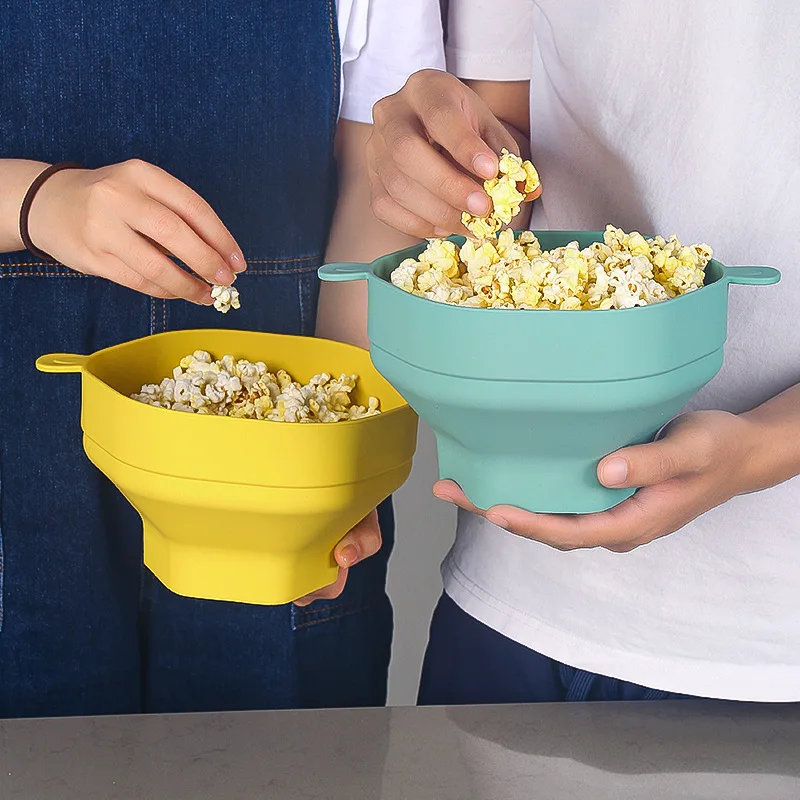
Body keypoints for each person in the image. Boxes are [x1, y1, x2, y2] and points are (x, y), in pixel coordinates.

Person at [0, 0, 442, 718]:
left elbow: (378, 190)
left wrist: (343, 461)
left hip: (277, 484)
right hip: (19, 466)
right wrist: (34, 202)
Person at [366, 0, 800, 703]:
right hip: (520, 597)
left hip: (773, 639)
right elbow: (507, 157)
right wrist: (447, 164)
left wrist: (765, 445)